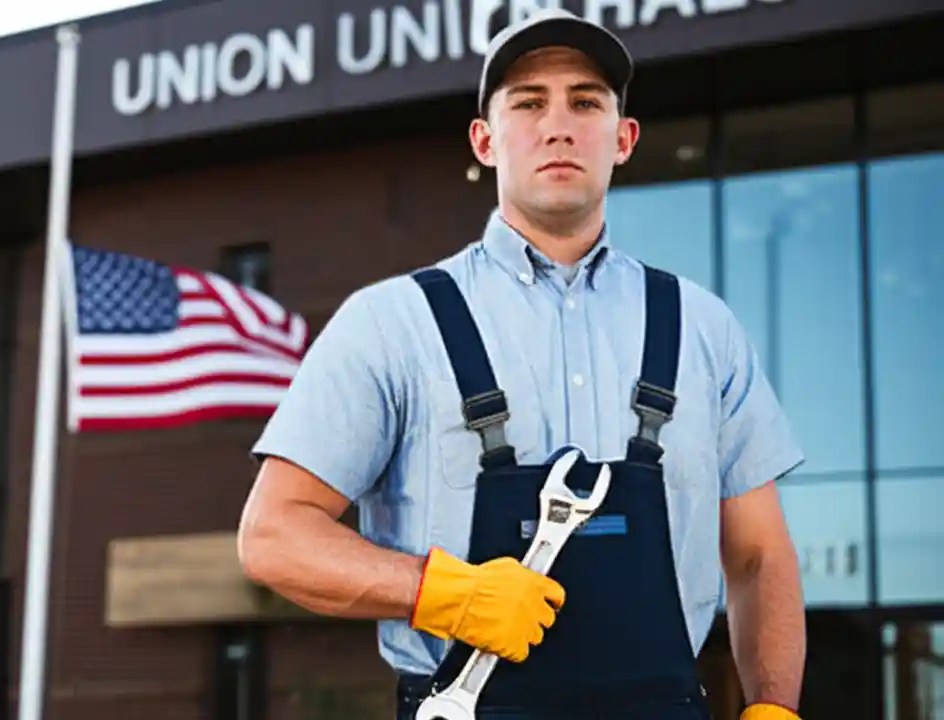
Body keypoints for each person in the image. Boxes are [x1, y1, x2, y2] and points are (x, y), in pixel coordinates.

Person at [236, 7, 806, 720]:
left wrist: (775, 706)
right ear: (485, 139)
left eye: (586, 102)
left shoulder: (702, 328)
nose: (559, 125)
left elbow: (759, 557)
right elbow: (274, 536)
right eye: (529, 102)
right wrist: (444, 593)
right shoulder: (391, 324)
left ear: (623, 139)